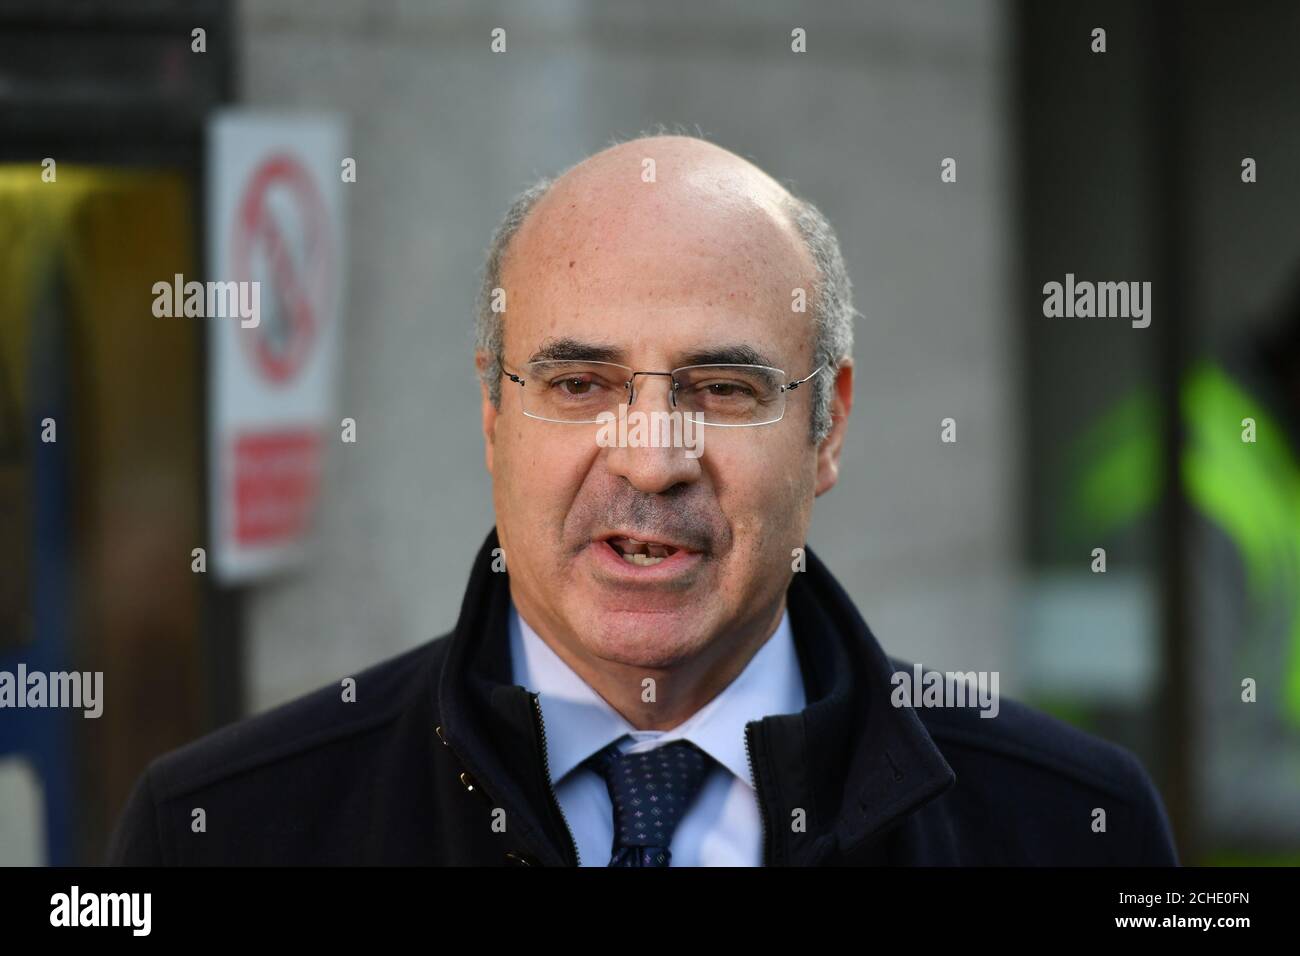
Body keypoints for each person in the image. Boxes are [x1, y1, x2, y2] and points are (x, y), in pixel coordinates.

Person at [107, 134, 1177, 866]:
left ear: (828, 425)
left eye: (722, 388)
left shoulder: (1074, 824)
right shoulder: (220, 831)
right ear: (492, 414)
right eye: (578, 385)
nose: (652, 459)